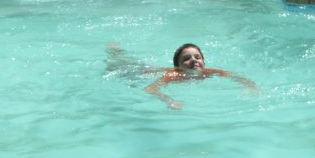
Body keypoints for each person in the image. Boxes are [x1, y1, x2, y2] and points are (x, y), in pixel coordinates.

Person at [105, 43, 257, 109]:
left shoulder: (209, 72)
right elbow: (150, 88)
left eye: (197, 57)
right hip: (138, 73)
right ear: (178, 65)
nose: (194, 61)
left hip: (151, 69)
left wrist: (251, 86)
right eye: (187, 58)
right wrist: (169, 100)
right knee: (121, 64)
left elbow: (234, 76)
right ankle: (115, 52)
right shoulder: (174, 75)